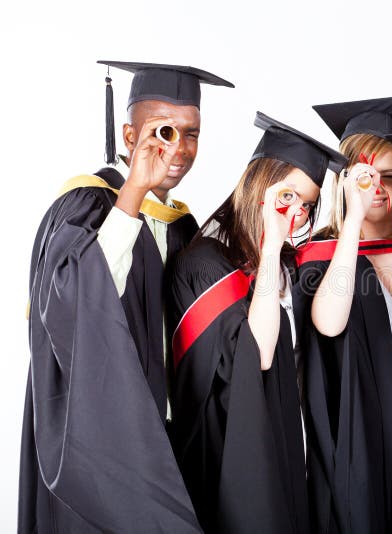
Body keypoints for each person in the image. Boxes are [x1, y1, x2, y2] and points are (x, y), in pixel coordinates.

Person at [20, 60, 232, 533]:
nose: (178, 148)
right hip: (97, 449)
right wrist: (133, 190)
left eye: (191, 133)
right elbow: (72, 303)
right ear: (129, 134)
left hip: (168, 443)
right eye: (163, 131)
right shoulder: (84, 205)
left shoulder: (181, 224)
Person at [168, 112, 345, 533]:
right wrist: (268, 251)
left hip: (289, 440)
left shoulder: (287, 263)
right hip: (233, 454)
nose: (297, 215)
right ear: (258, 184)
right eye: (287, 197)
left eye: (306, 205)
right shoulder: (205, 264)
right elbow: (259, 355)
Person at [297, 96, 392, 534]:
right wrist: (353, 219)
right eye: (365, 179)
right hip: (352, 437)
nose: (378, 188)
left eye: (389, 178)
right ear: (344, 182)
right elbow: (328, 323)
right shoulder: (319, 256)